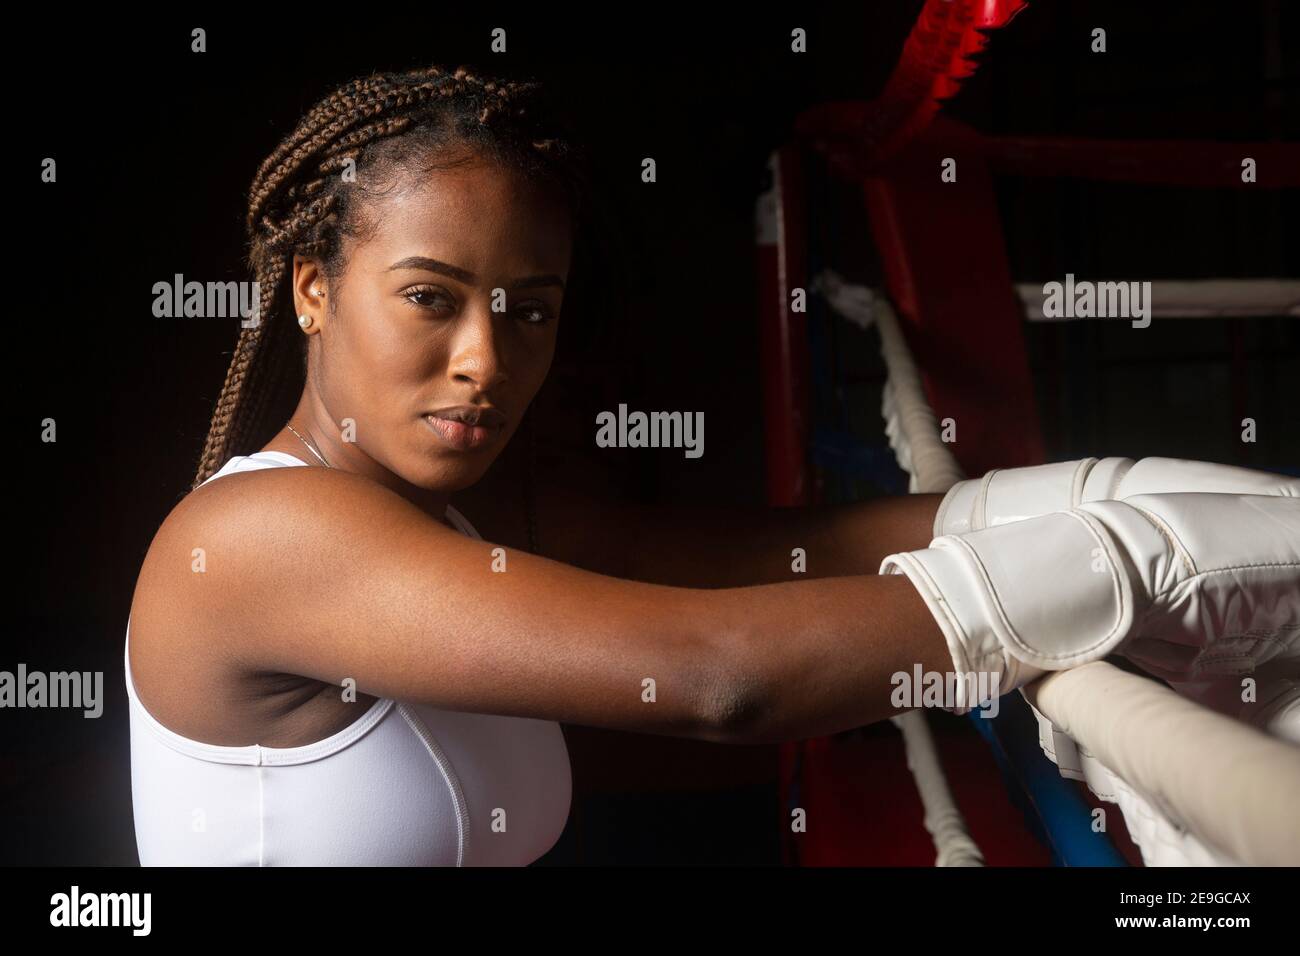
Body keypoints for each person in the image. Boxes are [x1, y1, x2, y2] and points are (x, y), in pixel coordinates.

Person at [125, 63, 1299, 866]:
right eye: (429, 297)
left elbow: (764, 563)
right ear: (313, 288)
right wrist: (1119, 565)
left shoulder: (471, 508)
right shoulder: (251, 544)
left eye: (529, 311)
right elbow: (714, 675)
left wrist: (1079, 496)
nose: (485, 359)